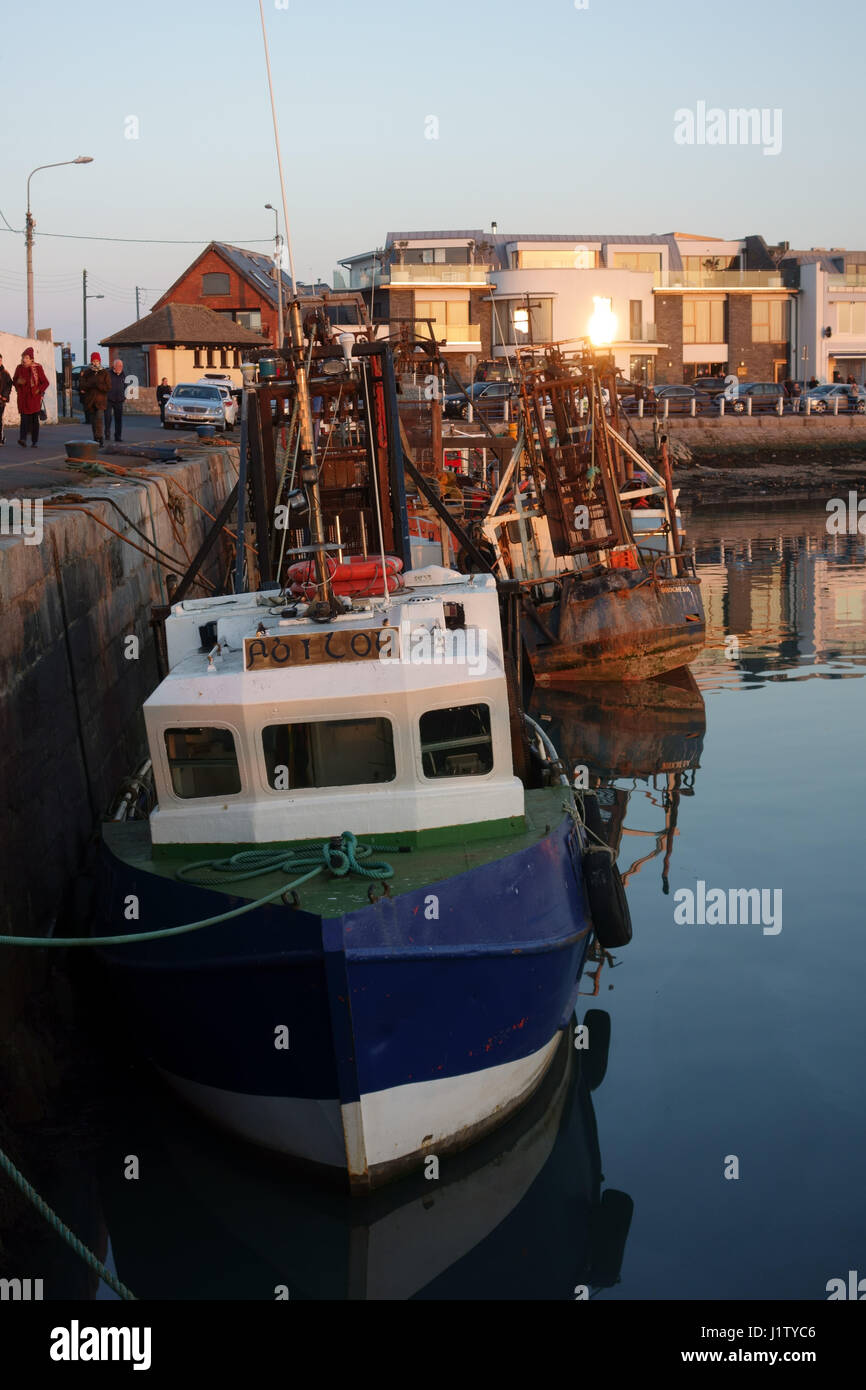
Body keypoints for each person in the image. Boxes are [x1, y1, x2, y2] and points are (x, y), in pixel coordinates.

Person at [13, 348, 49, 448]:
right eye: (23, 357)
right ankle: (23, 439)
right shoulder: (19, 368)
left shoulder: (37, 368)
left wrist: (39, 390)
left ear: (31, 359)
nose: (24, 360)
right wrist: (17, 382)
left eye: (27, 358)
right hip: (23, 399)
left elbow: (46, 382)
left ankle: (34, 441)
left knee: (34, 421)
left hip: (34, 398)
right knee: (23, 419)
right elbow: (14, 380)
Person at [79, 351, 110, 444]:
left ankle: (100, 438)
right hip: (90, 401)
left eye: (97, 361)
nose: (95, 363)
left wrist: (99, 385)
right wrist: (91, 384)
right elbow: (82, 385)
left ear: (99, 361)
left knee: (99, 419)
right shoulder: (87, 372)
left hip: (100, 401)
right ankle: (95, 437)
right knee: (93, 421)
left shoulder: (104, 373)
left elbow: (108, 387)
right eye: (94, 361)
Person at [106, 359, 126, 442]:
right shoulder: (108, 374)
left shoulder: (123, 374)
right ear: (114, 366)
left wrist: (123, 395)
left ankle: (118, 436)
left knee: (118, 419)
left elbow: (125, 386)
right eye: (118, 366)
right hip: (109, 399)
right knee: (108, 418)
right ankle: (107, 434)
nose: (119, 367)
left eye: (121, 366)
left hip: (119, 400)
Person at [0, 353, 12, 445]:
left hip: (1, 401)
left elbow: (8, 386)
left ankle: (1, 438)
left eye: (0, 360)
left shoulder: (5, 373)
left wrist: (3, 396)